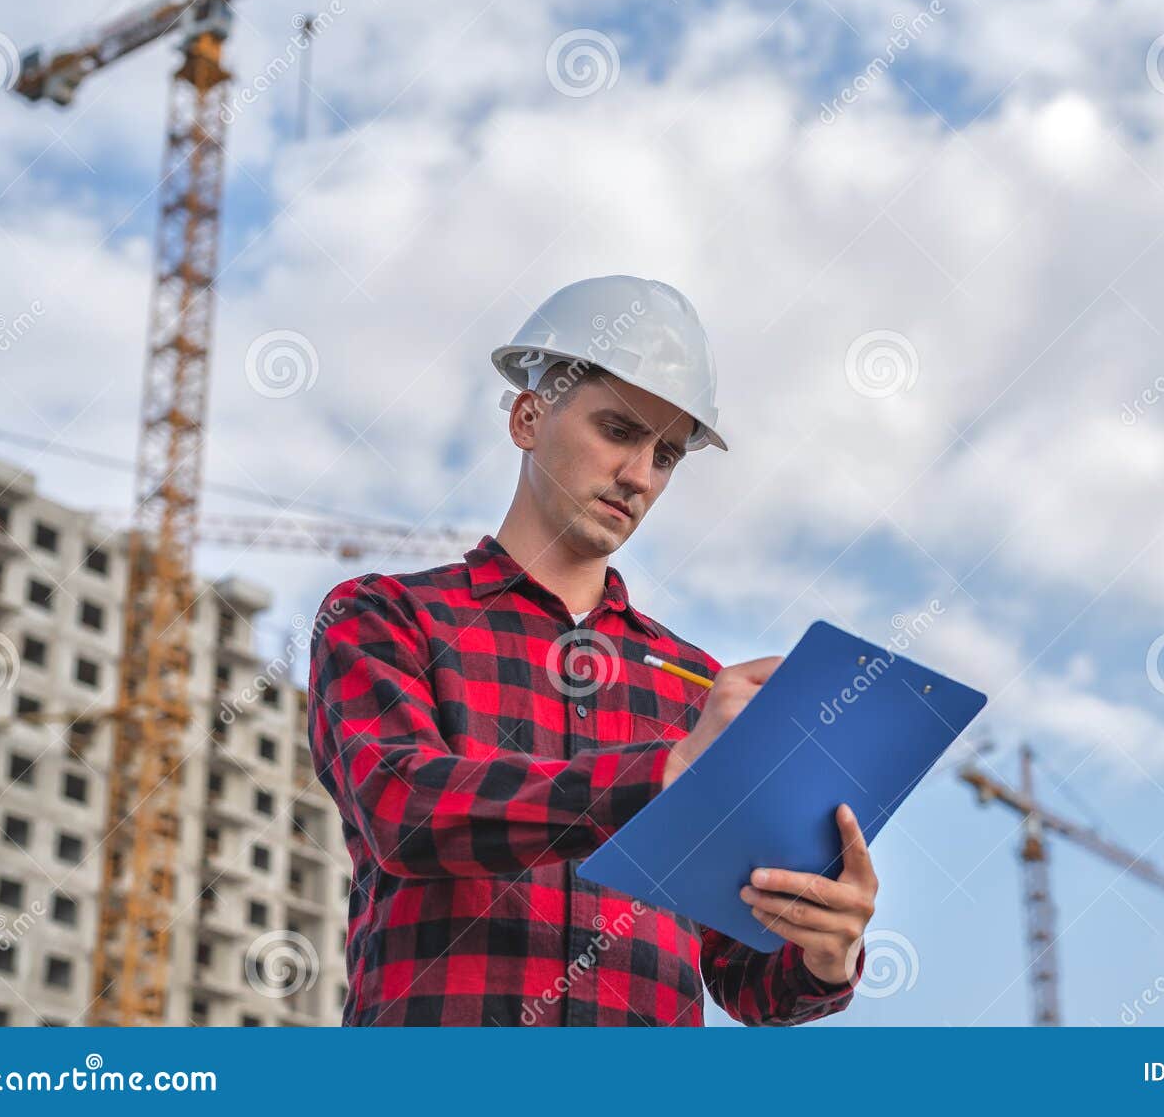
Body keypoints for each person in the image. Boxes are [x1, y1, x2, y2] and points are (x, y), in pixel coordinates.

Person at [307, 275, 876, 1026]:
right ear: (527, 417)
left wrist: (821, 951)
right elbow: (405, 811)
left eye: (667, 454)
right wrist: (661, 774)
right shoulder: (385, 618)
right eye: (617, 431)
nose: (639, 476)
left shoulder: (699, 692)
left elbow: (740, 977)